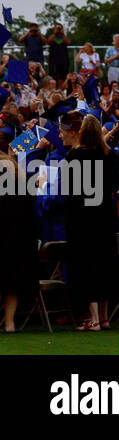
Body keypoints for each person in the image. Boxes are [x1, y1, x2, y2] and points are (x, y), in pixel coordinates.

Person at [64, 116, 119, 330]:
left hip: (83, 218)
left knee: (87, 264)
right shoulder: (108, 154)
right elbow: (116, 183)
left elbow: (71, 190)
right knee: (105, 263)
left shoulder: (75, 156)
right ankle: (105, 317)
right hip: (104, 216)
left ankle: (94, 319)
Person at [0, 136, 39, 333]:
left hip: (6, 236)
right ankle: (9, 323)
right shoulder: (19, 177)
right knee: (11, 283)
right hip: (18, 240)